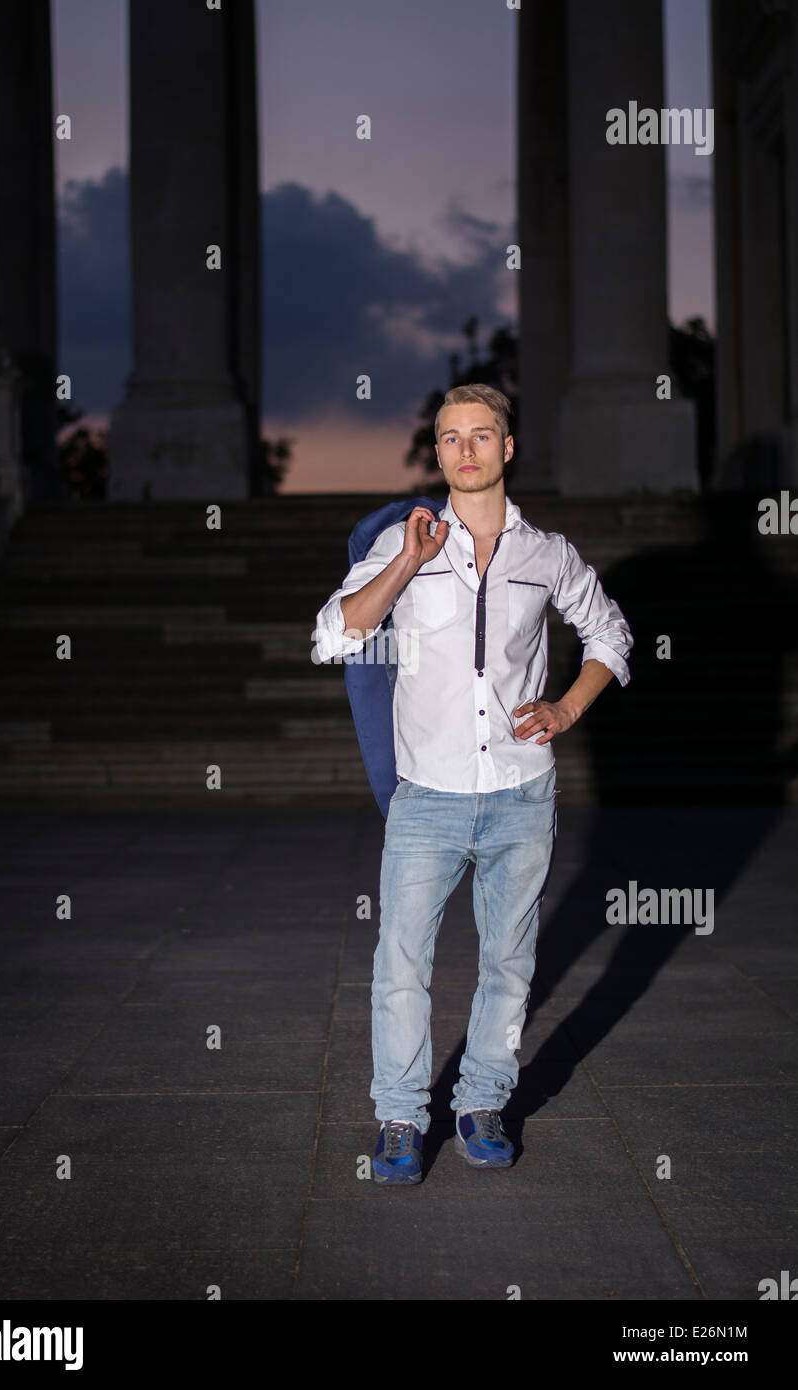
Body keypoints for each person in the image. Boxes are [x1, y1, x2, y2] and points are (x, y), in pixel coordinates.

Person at [313, 384, 633, 1184]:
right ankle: (398, 1118)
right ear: (437, 449)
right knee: (401, 965)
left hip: (522, 793)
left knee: (511, 962)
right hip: (428, 797)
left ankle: (482, 1102)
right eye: (450, 437)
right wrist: (408, 564)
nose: (464, 450)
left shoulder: (546, 554)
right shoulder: (404, 543)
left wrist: (565, 707)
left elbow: (612, 634)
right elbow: (330, 636)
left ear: (507, 447)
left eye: (481, 436)